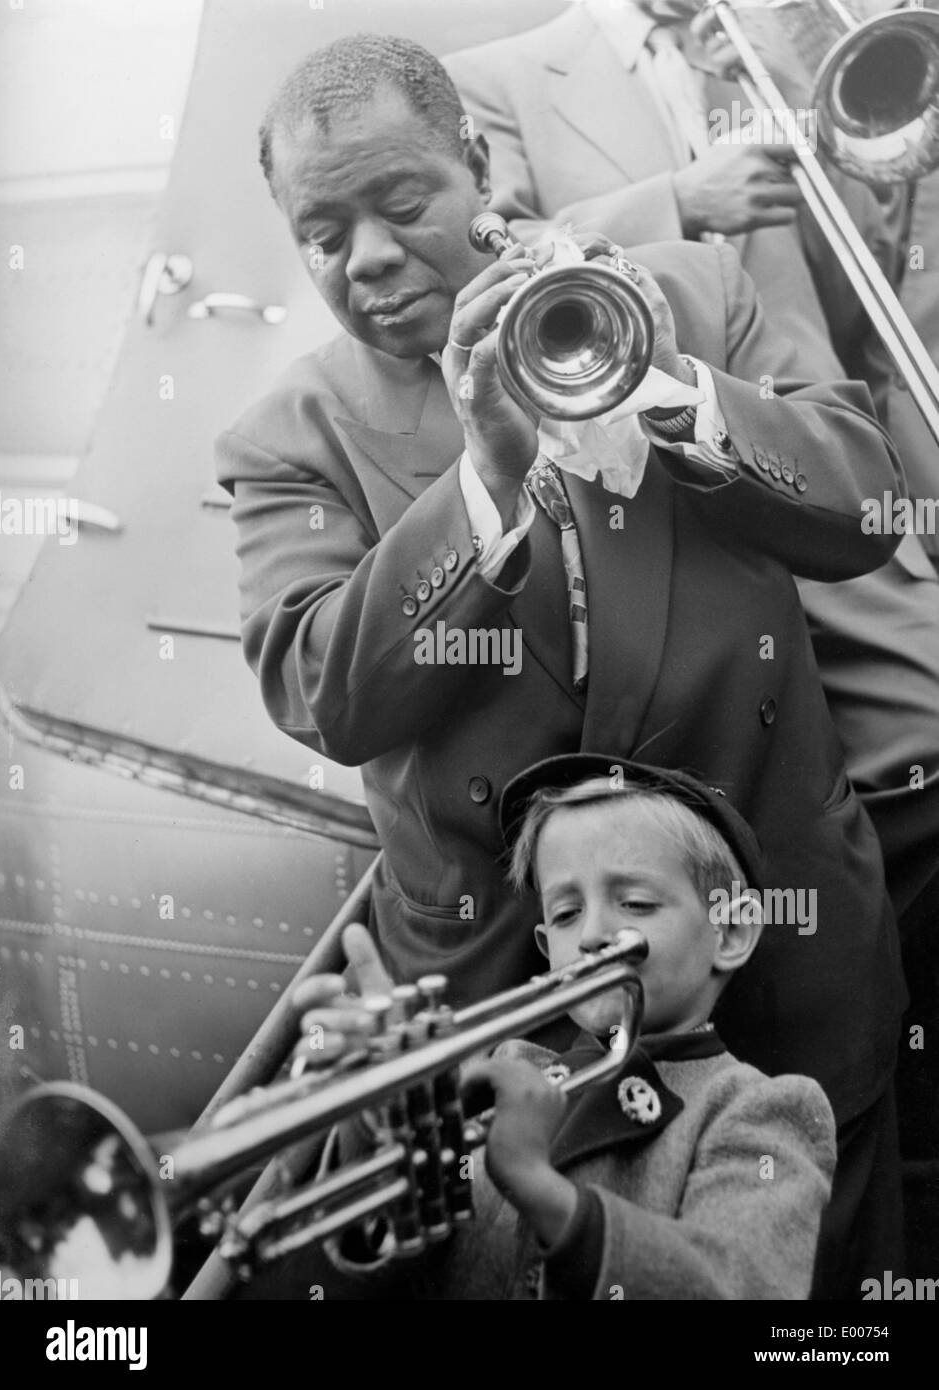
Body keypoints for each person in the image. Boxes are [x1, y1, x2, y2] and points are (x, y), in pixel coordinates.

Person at [215, 33, 905, 1295]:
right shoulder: (290, 432)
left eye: (402, 202)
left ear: (476, 166)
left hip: (785, 972)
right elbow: (322, 690)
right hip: (511, 1013)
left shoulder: (691, 290)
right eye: (323, 234)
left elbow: (868, 512)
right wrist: (481, 480)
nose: (365, 258)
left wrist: (673, 392)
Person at [444, 0, 939, 922]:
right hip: (653, 519)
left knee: (923, 746)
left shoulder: (753, 57)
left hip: (810, 468)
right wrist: (678, 199)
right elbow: (484, 257)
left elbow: (856, 287)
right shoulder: (500, 75)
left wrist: (789, 93)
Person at [299, 756, 838, 1300]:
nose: (592, 934)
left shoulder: (759, 1109)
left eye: (635, 903)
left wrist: (540, 1188)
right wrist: (370, 1124)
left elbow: (743, 1290)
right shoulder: (499, 1073)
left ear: (731, 930)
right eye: (564, 914)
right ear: (546, 951)